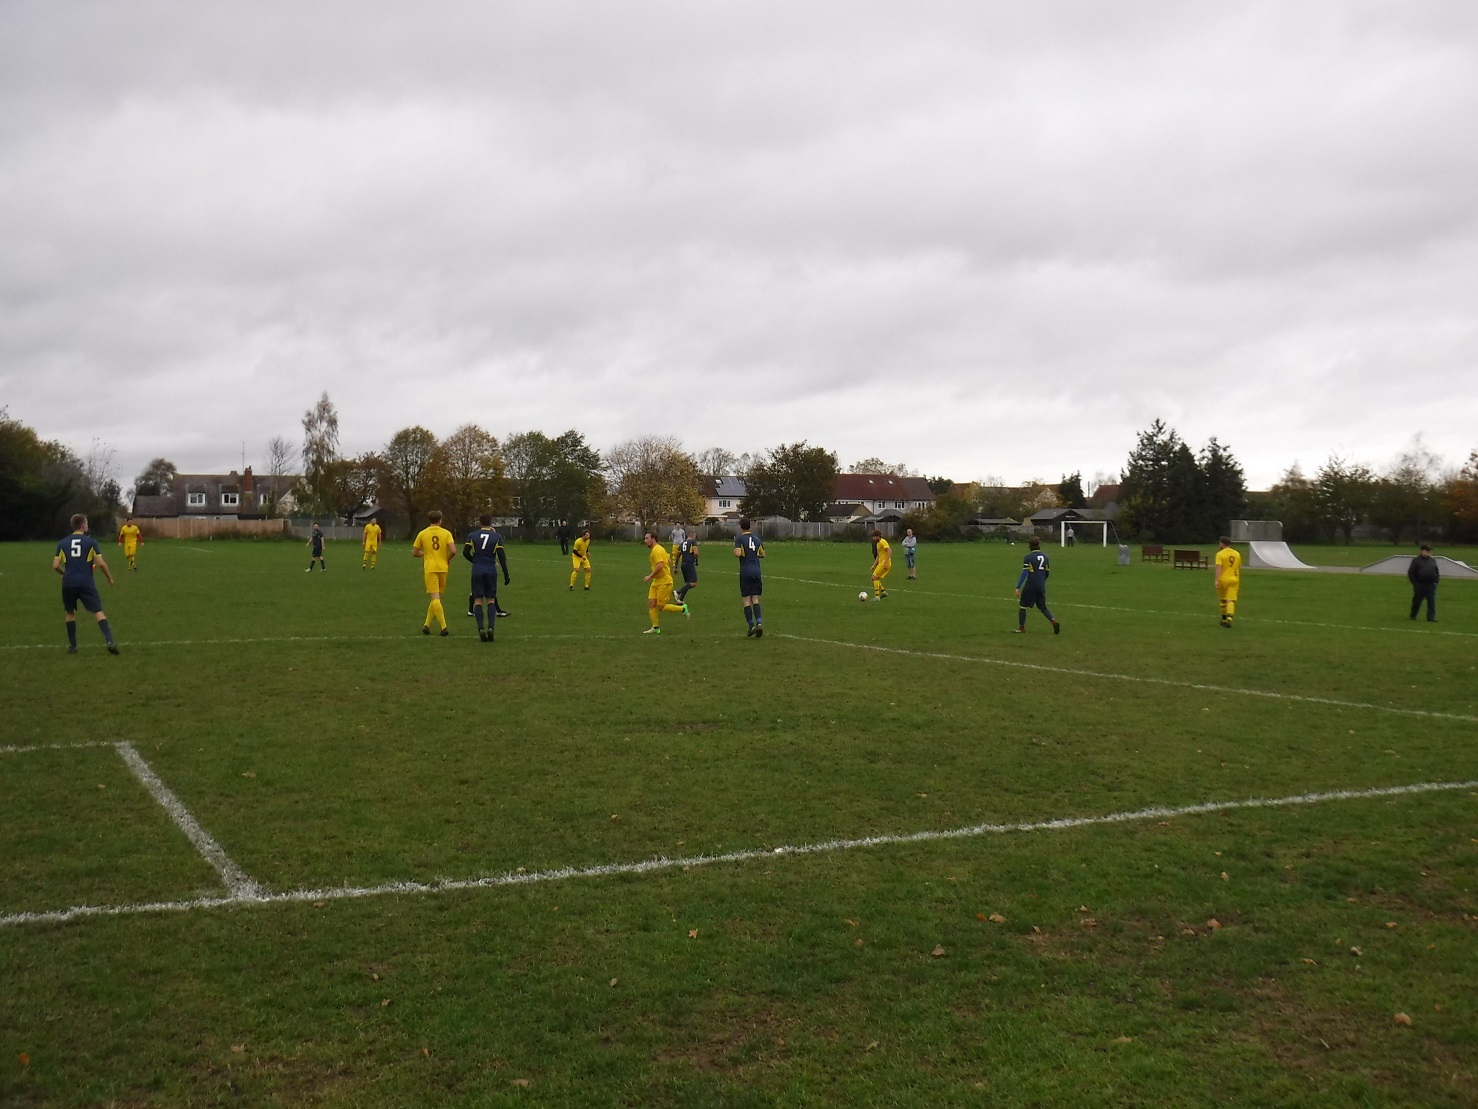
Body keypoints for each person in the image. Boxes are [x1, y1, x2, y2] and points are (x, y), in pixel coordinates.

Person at [54, 514, 120, 654]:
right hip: (86, 582)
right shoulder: (91, 542)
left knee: (70, 612)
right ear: (83, 525)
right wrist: (109, 577)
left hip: (68, 583)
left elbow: (55, 565)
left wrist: (64, 573)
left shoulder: (62, 543)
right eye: (87, 523)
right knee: (98, 611)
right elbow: (100, 563)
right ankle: (110, 641)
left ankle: (73, 647)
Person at [463, 514, 511, 642]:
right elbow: (502, 557)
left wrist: (475, 560)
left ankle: (480, 629)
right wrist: (506, 574)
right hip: (490, 569)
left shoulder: (472, 535)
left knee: (478, 600)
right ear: (491, 523)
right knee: (491, 600)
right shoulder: (497, 537)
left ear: (479, 523)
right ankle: (491, 628)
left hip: (477, 570)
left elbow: (465, 552)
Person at [412, 510, 457, 636]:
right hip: (443, 568)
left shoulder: (422, 533)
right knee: (436, 597)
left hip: (430, 568)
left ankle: (444, 627)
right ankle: (426, 625)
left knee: (435, 597)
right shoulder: (446, 533)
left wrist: (425, 554)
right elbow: (453, 551)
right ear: (440, 520)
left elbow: (415, 552)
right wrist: (446, 560)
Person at [642, 530, 689, 634]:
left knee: (660, 606)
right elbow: (667, 558)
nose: (645, 541)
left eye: (647, 538)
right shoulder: (659, 549)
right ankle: (655, 627)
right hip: (657, 581)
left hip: (664, 582)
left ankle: (682, 609)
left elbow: (660, 566)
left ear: (653, 539)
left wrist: (649, 576)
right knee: (651, 603)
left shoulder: (656, 551)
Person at [1014, 536, 1060, 634]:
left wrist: (1018, 587)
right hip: (1041, 585)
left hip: (1030, 585)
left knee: (1022, 606)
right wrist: (1041, 581)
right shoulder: (1046, 557)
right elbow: (1047, 572)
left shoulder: (1028, 557)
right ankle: (1053, 621)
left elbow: (1024, 573)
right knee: (1043, 607)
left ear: (1030, 546)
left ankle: (1021, 628)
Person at [734, 517, 765, 637]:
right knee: (755, 598)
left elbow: (737, 553)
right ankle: (759, 623)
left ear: (741, 527)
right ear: (750, 526)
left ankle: (751, 626)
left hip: (746, 571)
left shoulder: (740, 539)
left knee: (746, 599)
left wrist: (740, 553)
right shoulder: (757, 539)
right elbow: (763, 554)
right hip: (757, 571)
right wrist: (754, 555)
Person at [1214, 535, 1242, 628]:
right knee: (1230, 600)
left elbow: (1219, 568)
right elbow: (1238, 567)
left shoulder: (1220, 554)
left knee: (1223, 600)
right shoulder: (1237, 553)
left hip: (1223, 579)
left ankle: (1224, 619)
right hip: (1234, 579)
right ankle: (1230, 618)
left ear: (1222, 544)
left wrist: (1216, 580)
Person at [1408, 543, 1439, 622]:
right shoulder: (1416, 560)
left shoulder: (1432, 560)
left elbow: (1436, 571)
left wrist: (1436, 581)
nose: (1428, 552)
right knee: (1417, 602)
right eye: (1427, 551)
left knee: (1431, 602)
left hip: (1431, 585)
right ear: (1422, 551)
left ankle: (1430, 618)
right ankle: (1413, 615)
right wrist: (1415, 584)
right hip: (1420, 584)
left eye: (1429, 551)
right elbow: (1411, 573)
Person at [676, 534, 700, 602]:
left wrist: (675, 567)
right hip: (689, 563)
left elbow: (677, 556)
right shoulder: (693, 542)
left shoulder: (682, 543)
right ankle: (678, 592)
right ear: (693, 536)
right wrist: (697, 561)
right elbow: (696, 553)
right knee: (693, 583)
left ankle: (680, 600)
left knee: (687, 583)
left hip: (683, 564)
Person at [870, 528, 892, 599]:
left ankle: (877, 597)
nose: (873, 538)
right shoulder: (878, 544)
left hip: (884, 563)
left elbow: (889, 551)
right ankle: (883, 592)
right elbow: (878, 556)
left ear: (878, 536)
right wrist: (874, 565)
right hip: (881, 563)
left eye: (874, 536)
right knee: (876, 578)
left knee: (874, 578)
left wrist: (885, 562)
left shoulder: (883, 542)